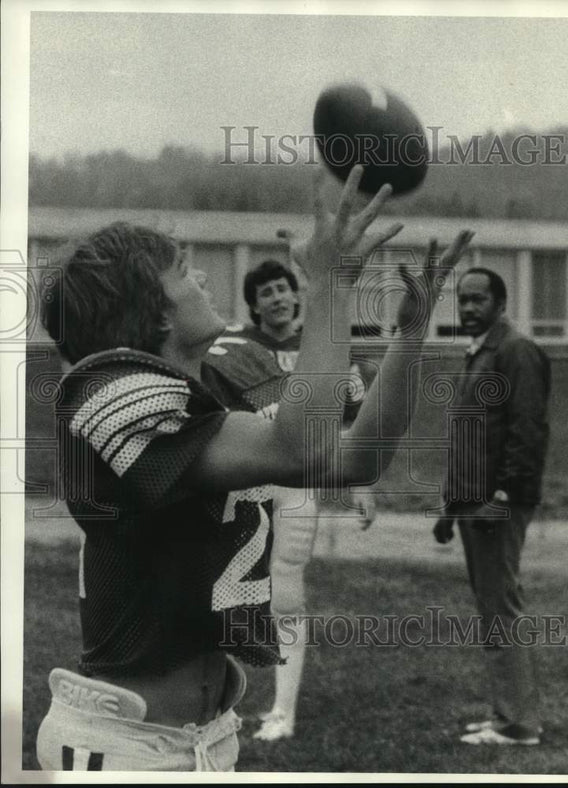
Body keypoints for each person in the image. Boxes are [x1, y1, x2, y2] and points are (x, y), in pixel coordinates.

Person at [34, 162, 473, 772]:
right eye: (185, 272)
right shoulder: (104, 393)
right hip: (125, 744)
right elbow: (301, 448)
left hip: (204, 733)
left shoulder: (212, 387)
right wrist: (332, 284)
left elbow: (355, 458)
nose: (204, 278)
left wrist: (411, 336)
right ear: (156, 311)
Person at [203, 259, 375, 742]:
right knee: (222, 591)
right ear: (253, 303)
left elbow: (352, 421)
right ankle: (216, 702)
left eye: (282, 288)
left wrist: (360, 484)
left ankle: (283, 711)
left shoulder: (321, 347)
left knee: (288, 595)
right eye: (266, 292)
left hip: (298, 484)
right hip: (245, 482)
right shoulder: (232, 347)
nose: (276, 298)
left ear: (296, 295)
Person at [433, 267, 551, 746]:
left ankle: (519, 723)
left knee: (501, 608)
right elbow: (471, 438)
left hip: (494, 506)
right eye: (462, 300)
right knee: (492, 609)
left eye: (478, 299)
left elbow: (528, 432)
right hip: (470, 504)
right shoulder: (481, 352)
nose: (467, 308)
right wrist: (450, 507)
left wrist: (500, 498)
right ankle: (505, 714)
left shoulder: (516, 351)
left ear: (500, 303)